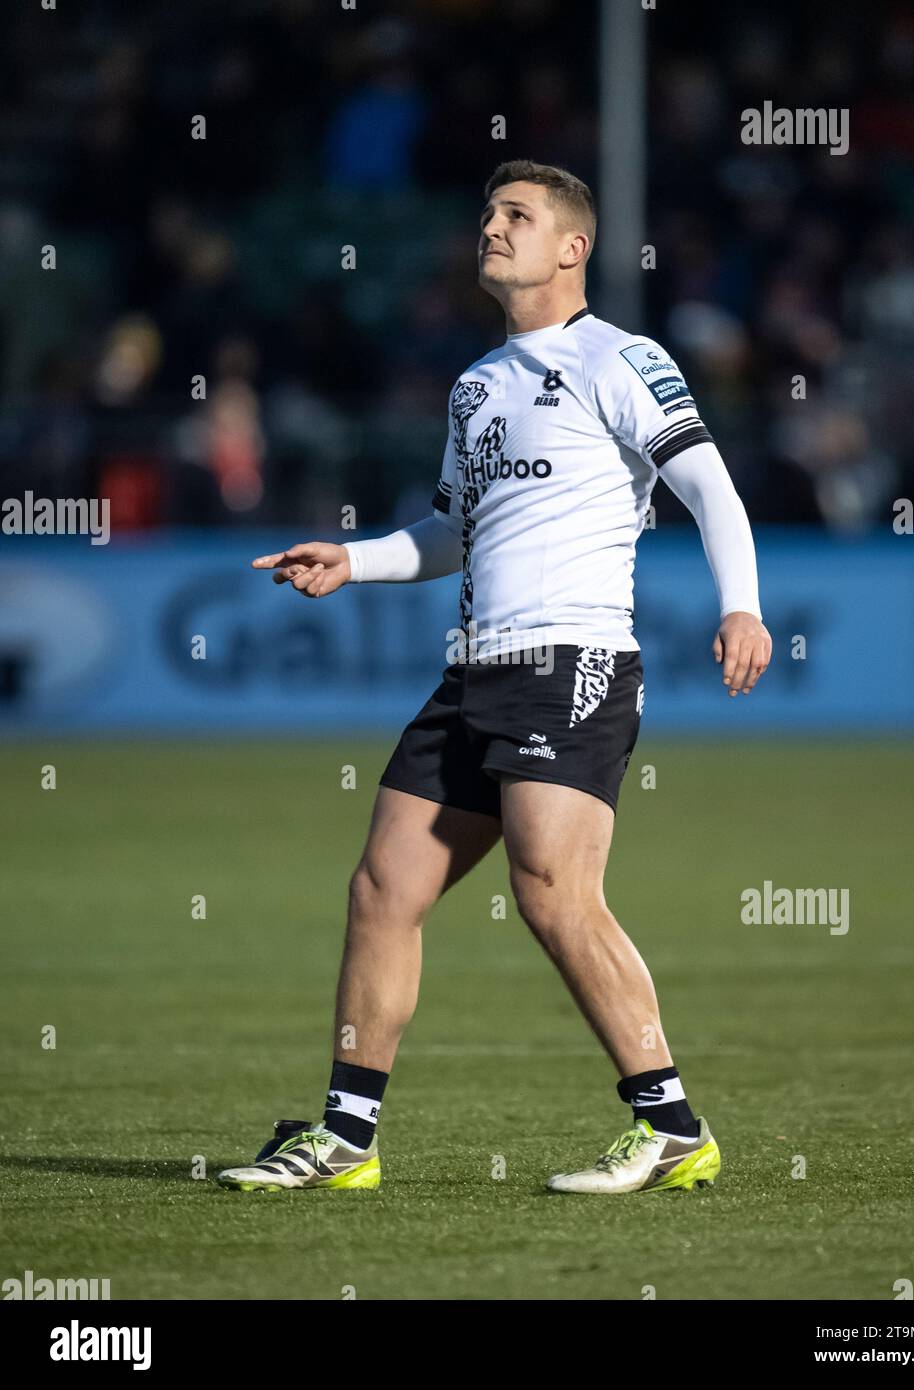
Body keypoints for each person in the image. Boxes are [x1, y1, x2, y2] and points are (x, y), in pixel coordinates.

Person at [218, 160, 771, 1196]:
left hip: (573, 661)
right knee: (383, 888)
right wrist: (358, 558)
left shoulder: (622, 358)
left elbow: (712, 487)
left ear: (573, 246)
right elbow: (454, 531)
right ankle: (346, 1137)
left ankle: (671, 1128)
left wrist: (741, 603)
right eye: (486, 212)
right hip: (474, 668)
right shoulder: (476, 385)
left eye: (517, 214)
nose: (491, 226)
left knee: (553, 892)